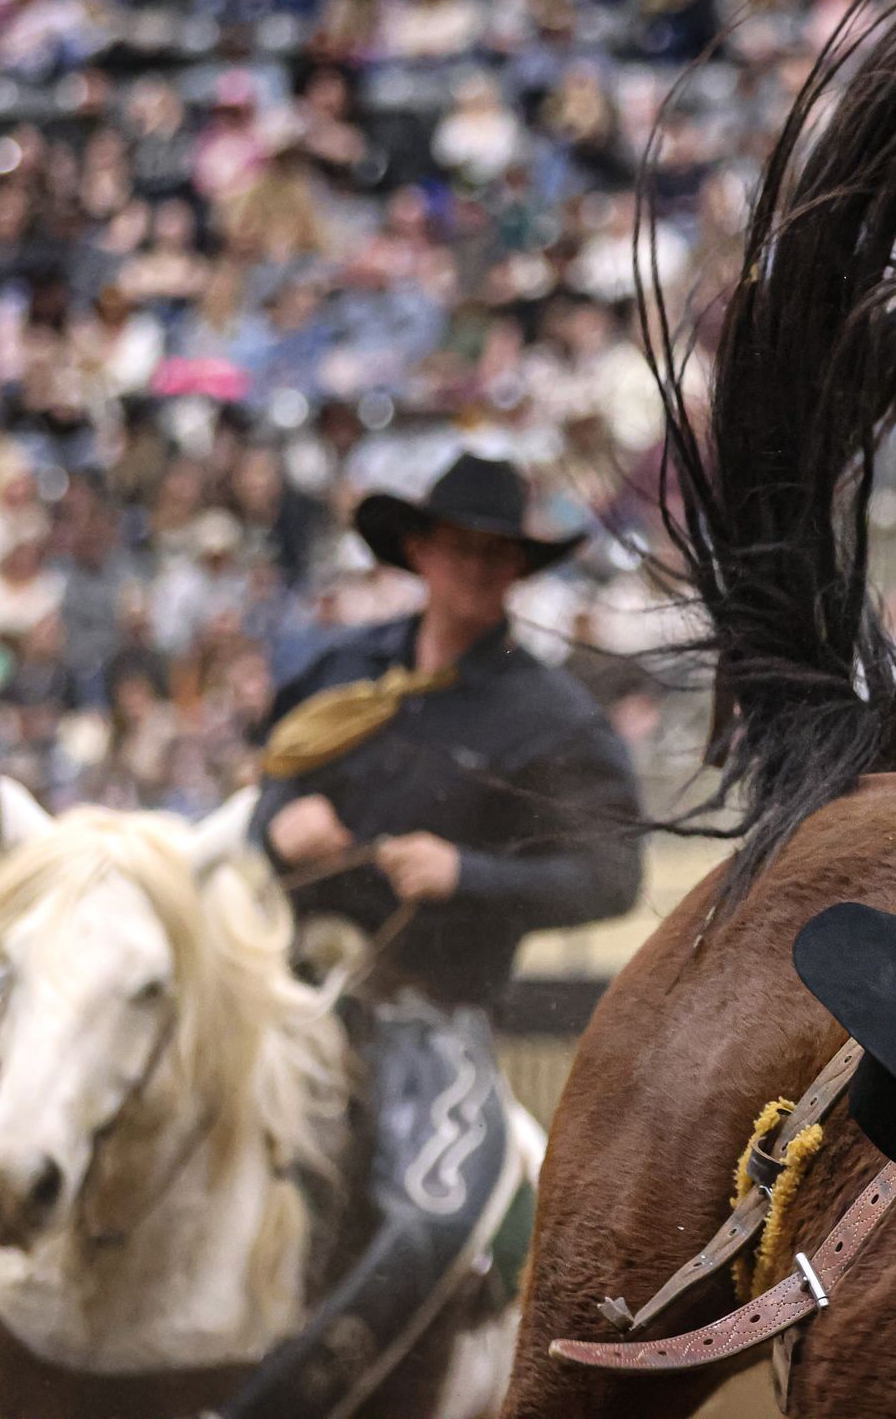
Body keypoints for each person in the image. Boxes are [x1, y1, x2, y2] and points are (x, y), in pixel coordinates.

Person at [215, 451, 643, 1417]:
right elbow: (271, 773)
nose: (480, 570)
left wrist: (467, 873)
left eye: (500, 556)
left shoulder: (553, 716)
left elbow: (611, 875)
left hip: (429, 1003)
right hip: (274, 978)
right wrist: (279, 818)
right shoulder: (341, 665)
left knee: (434, 1215)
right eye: (462, 549)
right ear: (420, 550)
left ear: (520, 570)